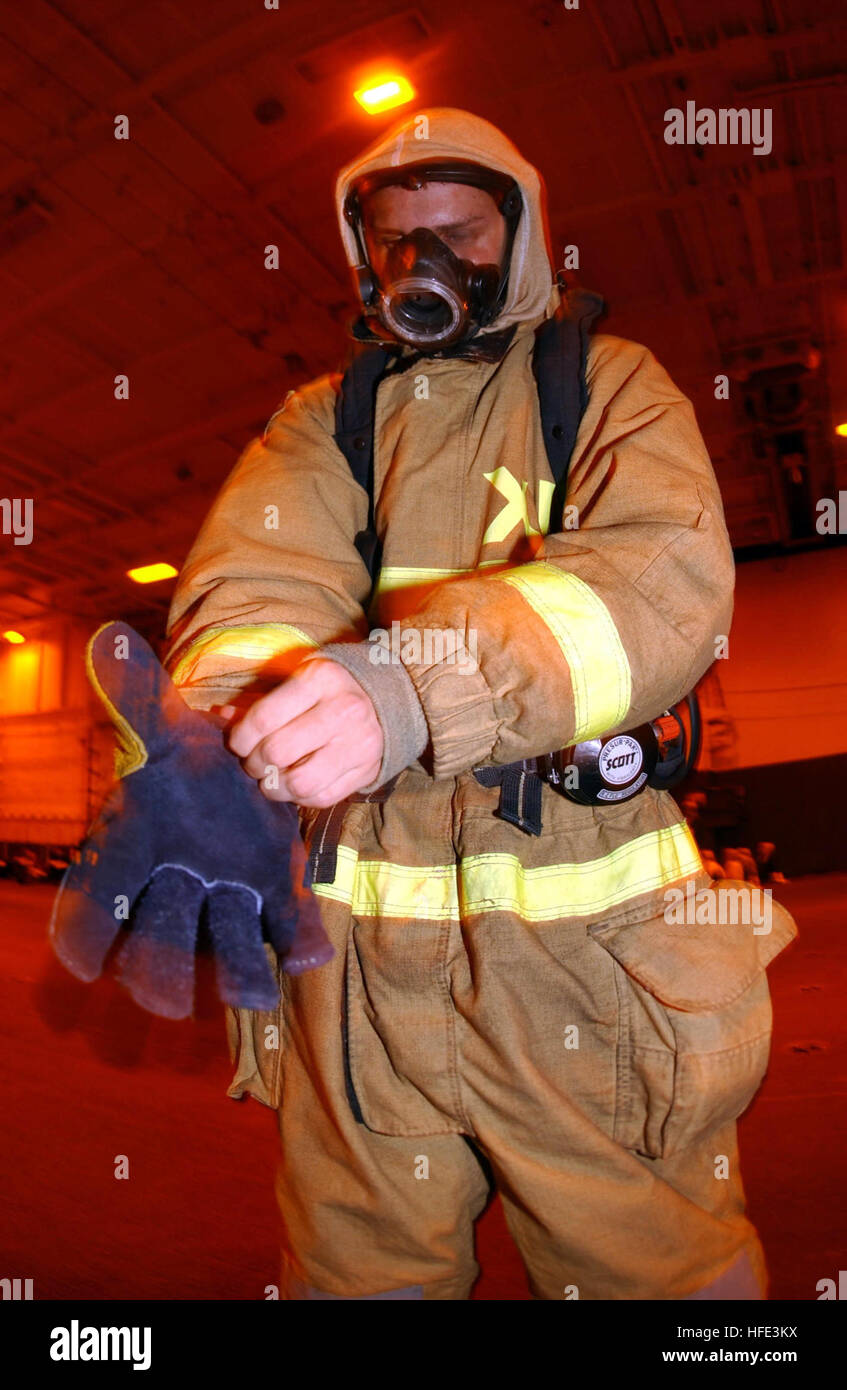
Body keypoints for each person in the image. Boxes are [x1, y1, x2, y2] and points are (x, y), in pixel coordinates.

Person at [162, 108, 797, 1300]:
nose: (427, 265)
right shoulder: (323, 420)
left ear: (519, 242)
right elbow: (251, 585)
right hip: (353, 963)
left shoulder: (604, 382)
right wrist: (228, 744)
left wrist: (408, 687)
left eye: (457, 234)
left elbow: (664, 581)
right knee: (359, 1275)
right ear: (366, 261)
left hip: (590, 953)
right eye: (398, 241)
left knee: (654, 1273)